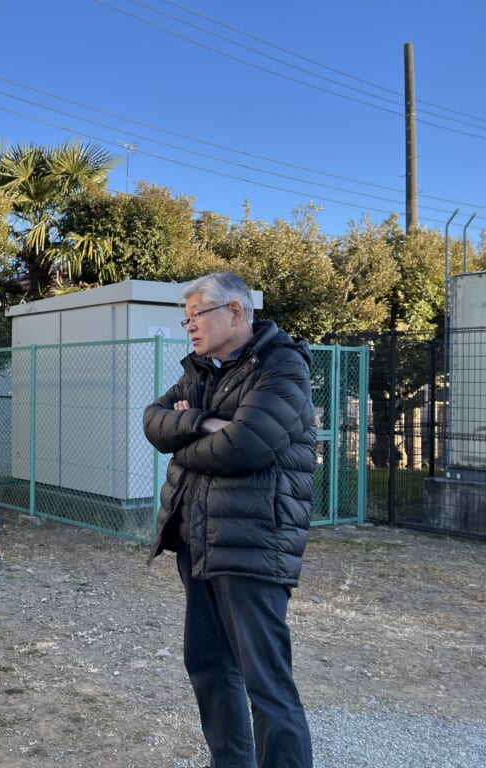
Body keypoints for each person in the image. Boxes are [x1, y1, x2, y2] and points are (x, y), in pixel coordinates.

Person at [142, 272, 316, 768]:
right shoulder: (201, 369)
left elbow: (245, 446)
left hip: (254, 544)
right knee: (209, 667)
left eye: (196, 316)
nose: (189, 328)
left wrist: (185, 443)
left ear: (236, 312)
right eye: (186, 319)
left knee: (267, 683)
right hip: (197, 540)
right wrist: (201, 421)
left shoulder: (282, 366)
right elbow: (154, 421)